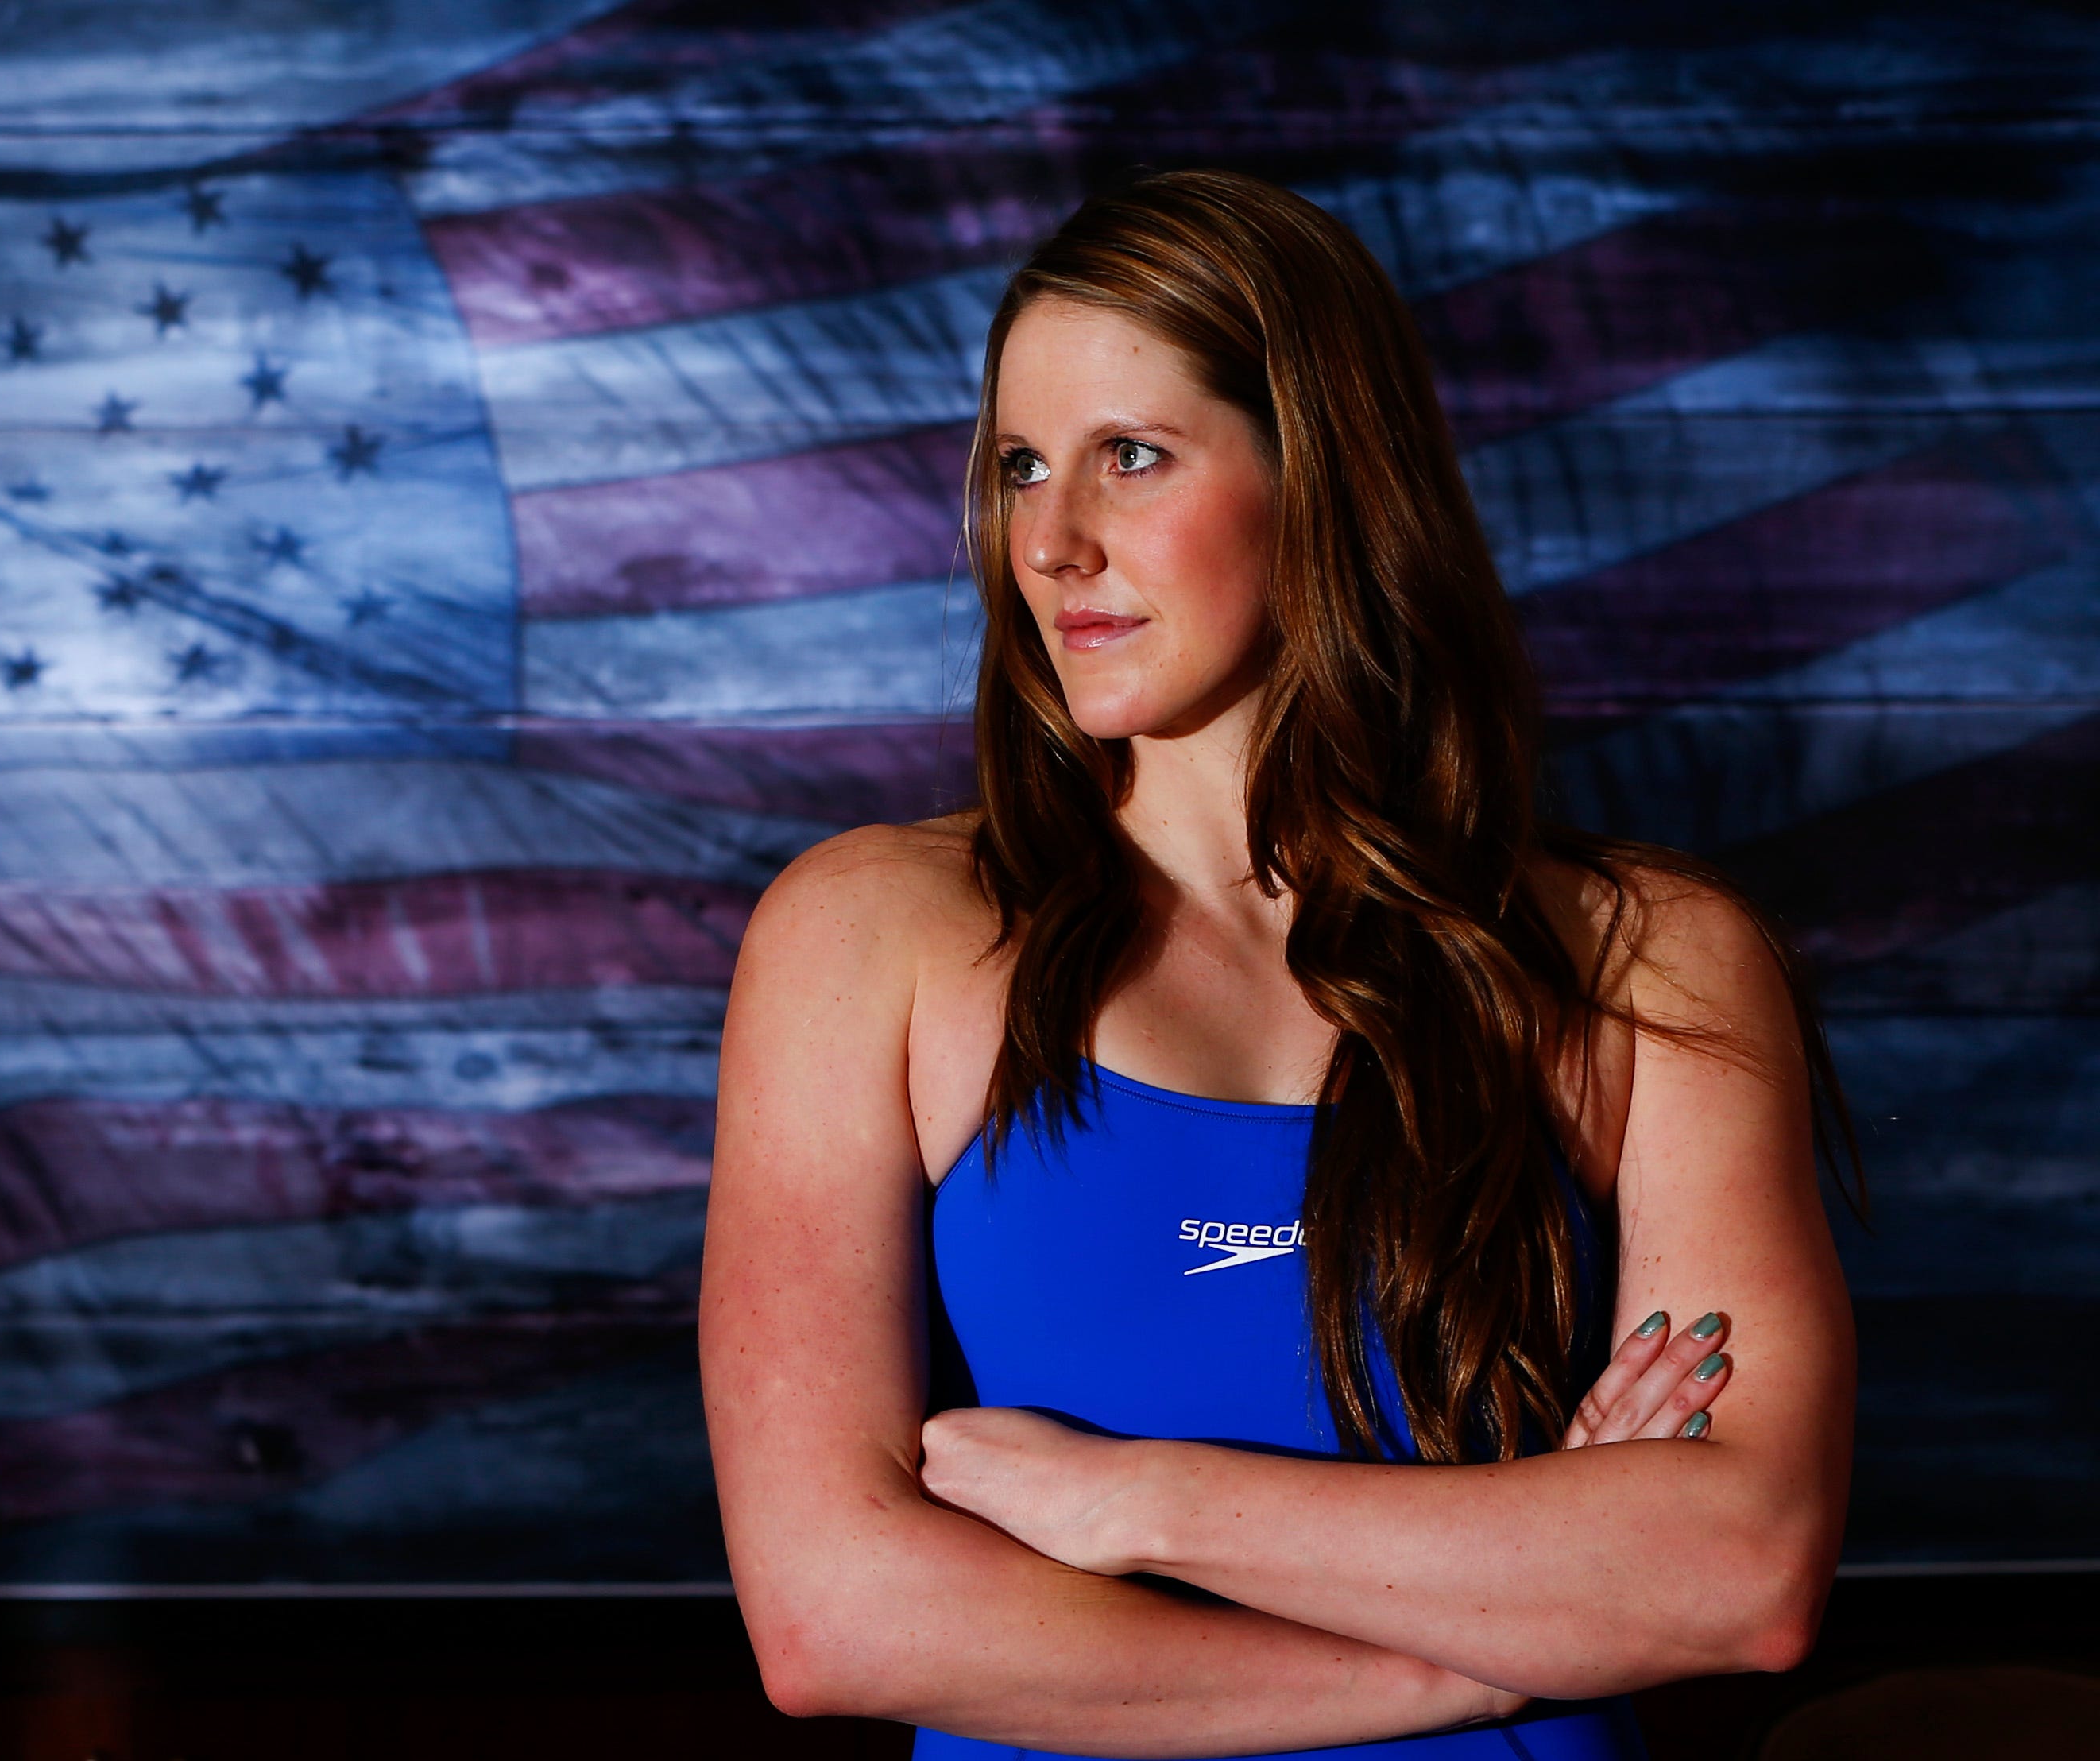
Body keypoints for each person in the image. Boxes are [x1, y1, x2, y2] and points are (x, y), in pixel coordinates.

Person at [698, 168, 1862, 1759]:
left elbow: (1741, 1576)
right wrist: (1489, 1652)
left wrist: (1135, 1501)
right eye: (1021, 465)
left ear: (1321, 475)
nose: (1052, 540)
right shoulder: (870, 936)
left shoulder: (1647, 962)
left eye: (1130, 455)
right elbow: (834, 1616)